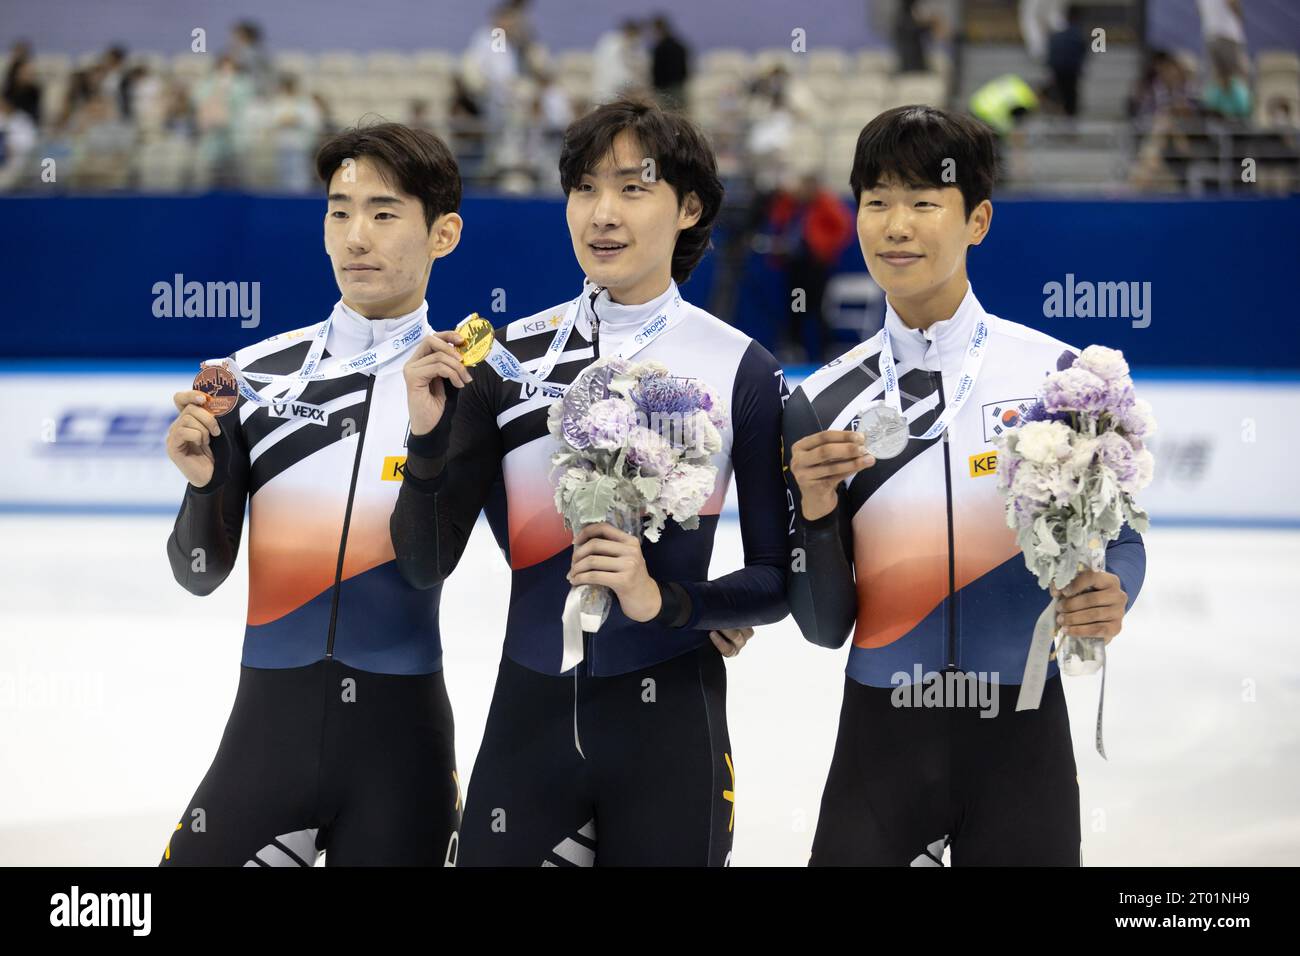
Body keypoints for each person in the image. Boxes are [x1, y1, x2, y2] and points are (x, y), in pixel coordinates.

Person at [390, 95, 788, 866]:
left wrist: (675, 604)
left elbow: (780, 580)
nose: (602, 213)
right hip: (527, 727)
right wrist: (427, 437)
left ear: (690, 207)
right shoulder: (498, 360)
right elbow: (422, 560)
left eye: (632, 188)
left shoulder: (742, 367)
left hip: (671, 732)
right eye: (584, 188)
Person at [783, 105, 1147, 865]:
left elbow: (1123, 542)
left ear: (977, 219)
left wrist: (1112, 591)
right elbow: (823, 626)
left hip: (1021, 740)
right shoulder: (823, 403)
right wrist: (816, 517)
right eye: (876, 201)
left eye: (923, 201)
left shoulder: (1060, 378)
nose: (895, 225)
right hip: (882, 741)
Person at [160, 122, 467, 866]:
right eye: (339, 211)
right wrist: (204, 487)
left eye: (384, 213)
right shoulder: (248, 377)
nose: (356, 235)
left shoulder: (469, 387)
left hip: (404, 757)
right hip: (266, 735)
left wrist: (692, 610)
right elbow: (198, 571)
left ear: (443, 234)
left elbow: (496, 560)